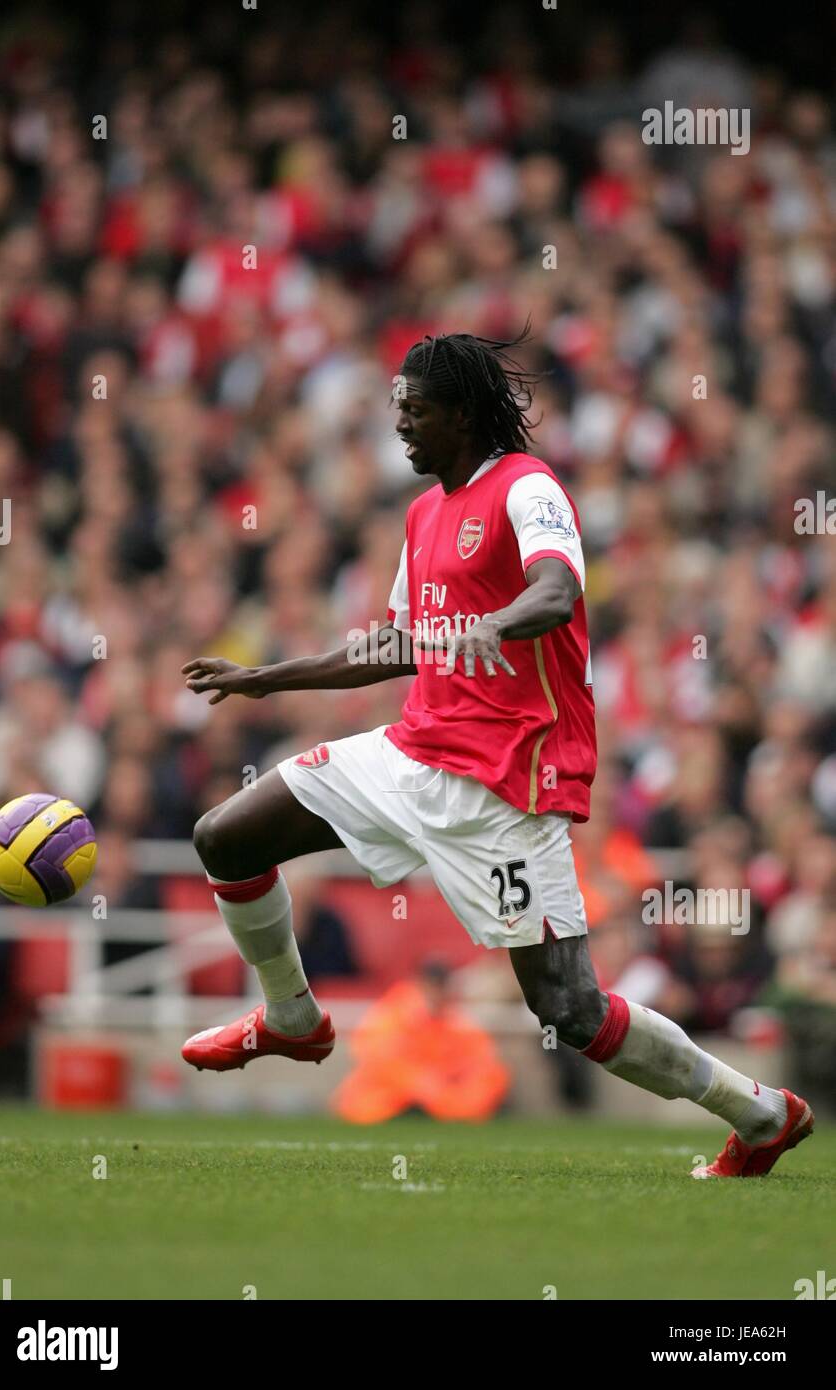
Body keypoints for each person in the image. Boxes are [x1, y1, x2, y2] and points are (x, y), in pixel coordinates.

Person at [179, 330, 813, 1178]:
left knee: (570, 1009)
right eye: (397, 406)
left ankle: (761, 1113)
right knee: (226, 835)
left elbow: (555, 593)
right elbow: (402, 645)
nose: (400, 423)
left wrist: (495, 623)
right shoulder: (421, 513)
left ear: (465, 414)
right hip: (410, 755)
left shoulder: (528, 487)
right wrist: (268, 677)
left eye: (416, 409)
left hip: (505, 787)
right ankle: (291, 1019)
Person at [332, 959, 509, 1124]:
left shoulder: (456, 1021)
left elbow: (482, 1063)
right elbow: (376, 1057)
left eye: (440, 986)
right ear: (418, 984)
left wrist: (442, 1086)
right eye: (431, 986)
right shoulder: (392, 1014)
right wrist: (423, 1083)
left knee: (487, 1083)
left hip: (438, 1095)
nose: (435, 993)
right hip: (391, 1098)